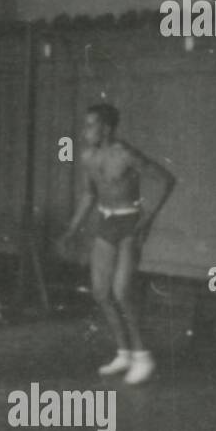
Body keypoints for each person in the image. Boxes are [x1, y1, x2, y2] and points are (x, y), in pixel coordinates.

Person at [58, 103, 175, 385]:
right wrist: (71, 230)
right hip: (105, 223)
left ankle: (143, 356)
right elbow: (89, 195)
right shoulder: (87, 156)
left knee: (122, 292)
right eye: (85, 125)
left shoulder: (125, 154)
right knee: (100, 292)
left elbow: (166, 180)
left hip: (128, 225)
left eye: (91, 125)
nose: (85, 131)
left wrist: (147, 218)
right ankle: (124, 352)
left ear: (106, 128)